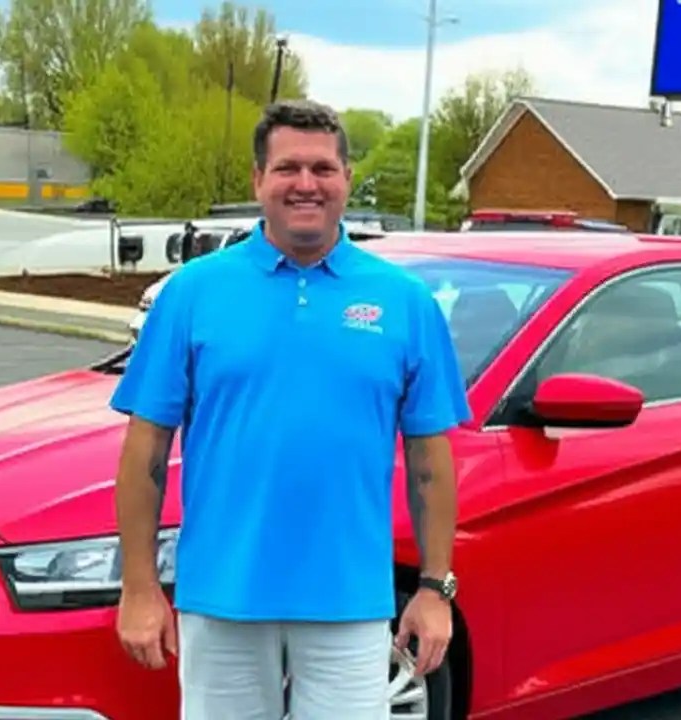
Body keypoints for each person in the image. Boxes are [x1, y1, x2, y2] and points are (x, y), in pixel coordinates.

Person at [109, 99, 471, 719]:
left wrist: (436, 589)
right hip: (221, 599)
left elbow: (430, 464)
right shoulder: (193, 293)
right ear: (258, 181)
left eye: (323, 168)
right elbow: (145, 453)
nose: (306, 184)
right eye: (288, 168)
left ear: (347, 179)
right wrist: (139, 588)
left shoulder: (405, 302)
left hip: (350, 604)